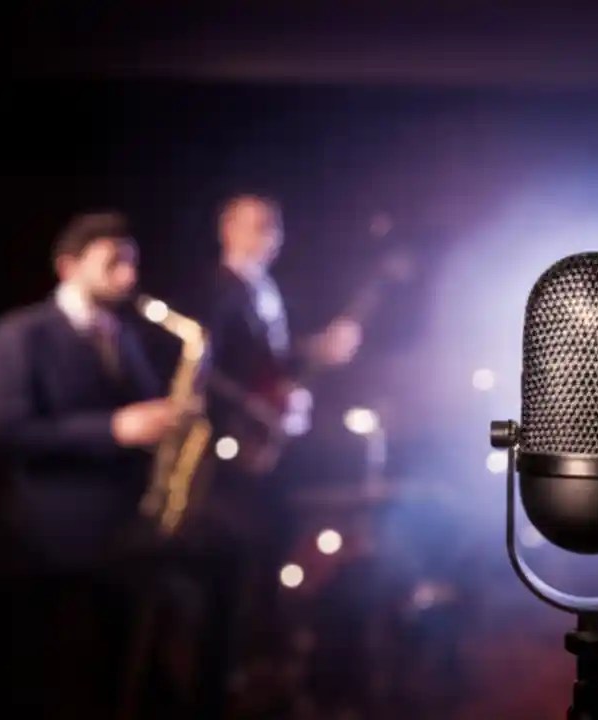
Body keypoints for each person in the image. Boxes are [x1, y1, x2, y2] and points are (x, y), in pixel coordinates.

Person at [0, 211, 176, 715]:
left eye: (132, 263)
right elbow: (8, 431)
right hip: (60, 531)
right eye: (113, 263)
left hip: (130, 521)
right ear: (68, 266)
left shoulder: (122, 333)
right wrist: (113, 428)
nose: (128, 277)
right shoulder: (20, 333)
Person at [189, 193, 361, 712]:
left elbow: (273, 365)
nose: (270, 235)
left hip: (267, 450)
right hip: (229, 452)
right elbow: (206, 367)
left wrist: (315, 353)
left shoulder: (264, 290)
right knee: (231, 568)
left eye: (276, 226)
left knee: (267, 562)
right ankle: (217, 686)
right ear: (228, 230)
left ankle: (263, 673)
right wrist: (259, 412)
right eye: (258, 225)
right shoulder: (216, 289)